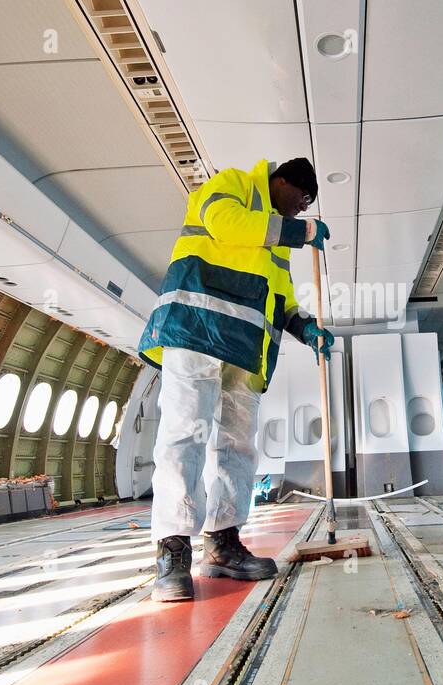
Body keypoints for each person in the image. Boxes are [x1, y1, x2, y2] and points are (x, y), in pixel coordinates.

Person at [137, 157, 334, 602]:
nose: (301, 210)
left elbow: (277, 298)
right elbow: (224, 223)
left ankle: (223, 544)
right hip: (195, 328)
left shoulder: (277, 238)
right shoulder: (235, 187)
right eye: (302, 199)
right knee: (184, 433)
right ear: (281, 181)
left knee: (237, 444)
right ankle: (173, 552)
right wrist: (297, 232)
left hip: (244, 349)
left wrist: (305, 328)